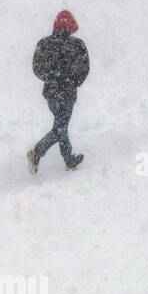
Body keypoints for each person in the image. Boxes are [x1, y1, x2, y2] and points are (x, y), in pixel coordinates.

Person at [28, 10, 89, 174]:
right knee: (60, 128)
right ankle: (37, 153)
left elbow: (37, 68)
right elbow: (84, 69)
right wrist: (73, 81)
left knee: (61, 125)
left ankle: (69, 159)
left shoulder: (44, 44)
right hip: (68, 93)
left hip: (52, 94)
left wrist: (51, 78)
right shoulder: (77, 45)